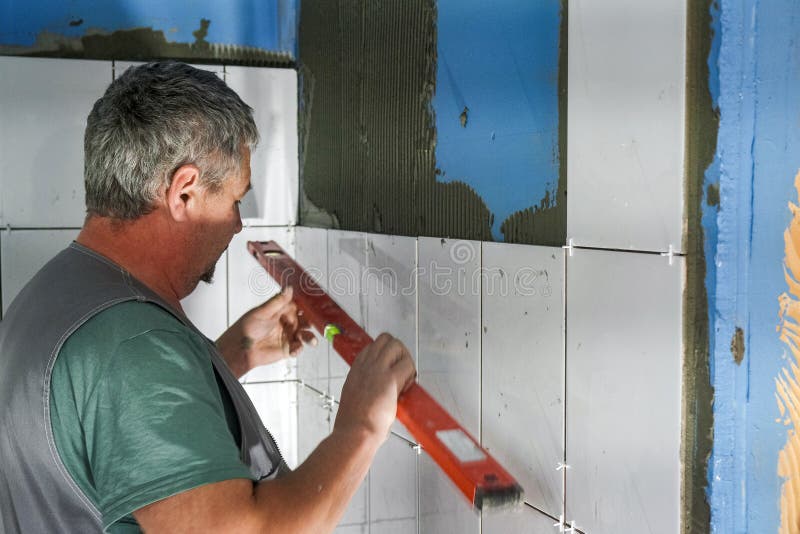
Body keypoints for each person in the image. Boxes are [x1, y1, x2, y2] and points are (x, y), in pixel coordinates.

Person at [0, 61, 416, 533]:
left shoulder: (56, 292)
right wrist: (359, 427)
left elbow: (106, 428)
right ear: (184, 193)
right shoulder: (133, 348)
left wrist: (228, 358)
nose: (238, 224)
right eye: (236, 200)